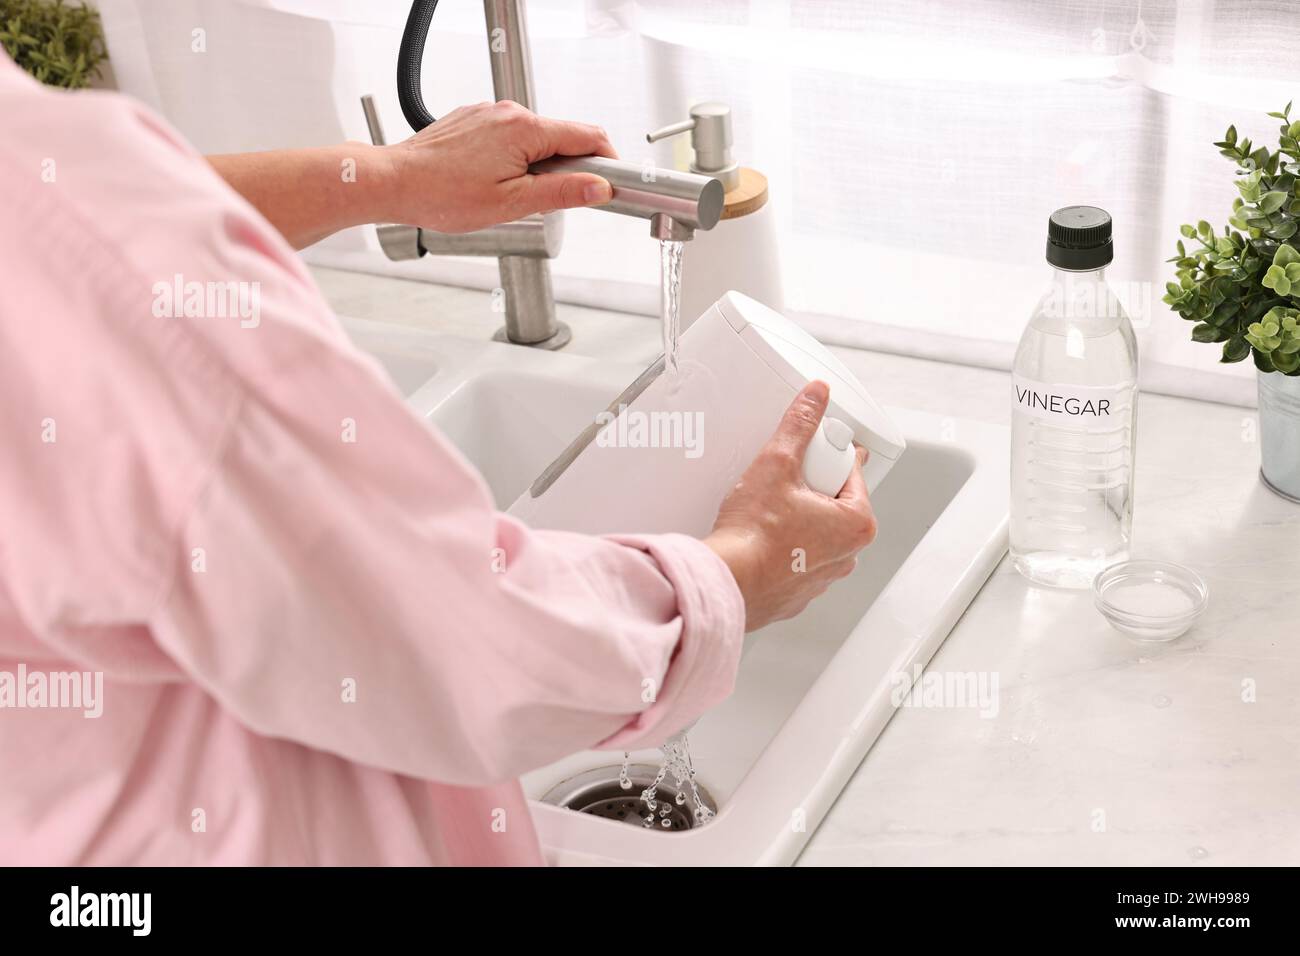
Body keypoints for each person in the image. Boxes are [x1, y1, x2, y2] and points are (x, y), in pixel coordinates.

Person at [0, 49, 876, 865]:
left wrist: (385, 179)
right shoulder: (90, 228)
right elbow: (461, 646)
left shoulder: (61, 194)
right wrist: (733, 579)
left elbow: (98, 212)